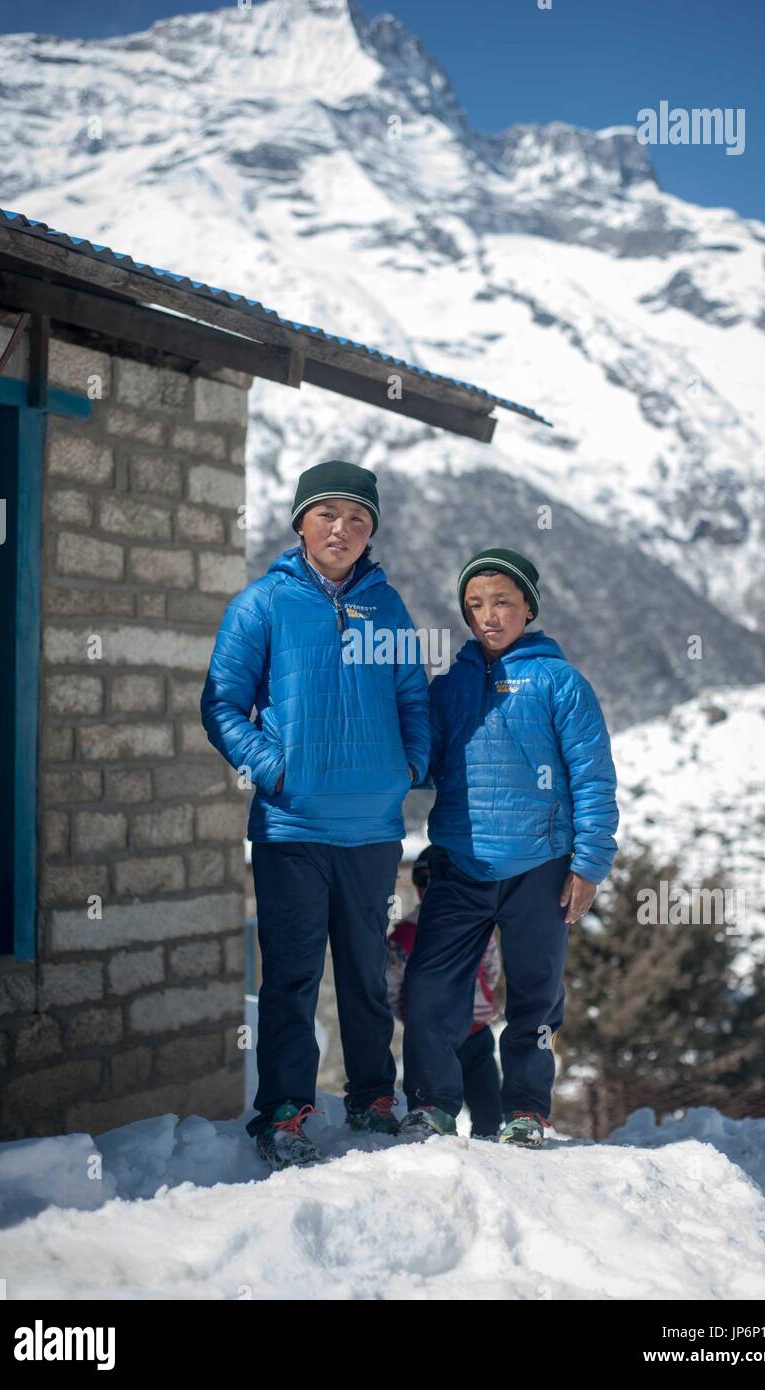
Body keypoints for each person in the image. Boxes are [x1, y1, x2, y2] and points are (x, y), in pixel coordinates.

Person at [200, 460, 430, 1171]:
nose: (343, 529)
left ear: (370, 535)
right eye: (329, 514)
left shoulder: (387, 608)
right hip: (291, 830)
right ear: (301, 522)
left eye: (359, 520)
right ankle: (284, 1111)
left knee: (365, 974)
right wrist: (272, 768)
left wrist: (408, 768)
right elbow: (221, 704)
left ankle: (372, 1099)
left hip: (371, 831)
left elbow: (413, 699)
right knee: (292, 978)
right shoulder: (261, 605)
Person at [400, 548, 618, 1148]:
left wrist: (589, 864)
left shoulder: (560, 684)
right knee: (429, 991)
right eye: (474, 606)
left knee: (536, 999)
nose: (488, 616)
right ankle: (433, 1106)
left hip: (540, 868)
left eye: (501, 602)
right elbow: (422, 762)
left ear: (528, 606)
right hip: (460, 864)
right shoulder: (449, 688)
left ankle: (527, 1111)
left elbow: (593, 777)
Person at [386, 847, 503, 1139]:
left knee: (488, 1106)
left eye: (437, 877)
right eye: (424, 879)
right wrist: (411, 1018)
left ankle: (490, 1154)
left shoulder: (479, 926)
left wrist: (478, 999)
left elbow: (491, 968)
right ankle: (434, 1146)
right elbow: (391, 987)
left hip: (476, 1032)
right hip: (431, 1035)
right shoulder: (403, 936)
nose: (431, 885)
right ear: (416, 884)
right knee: (433, 1102)